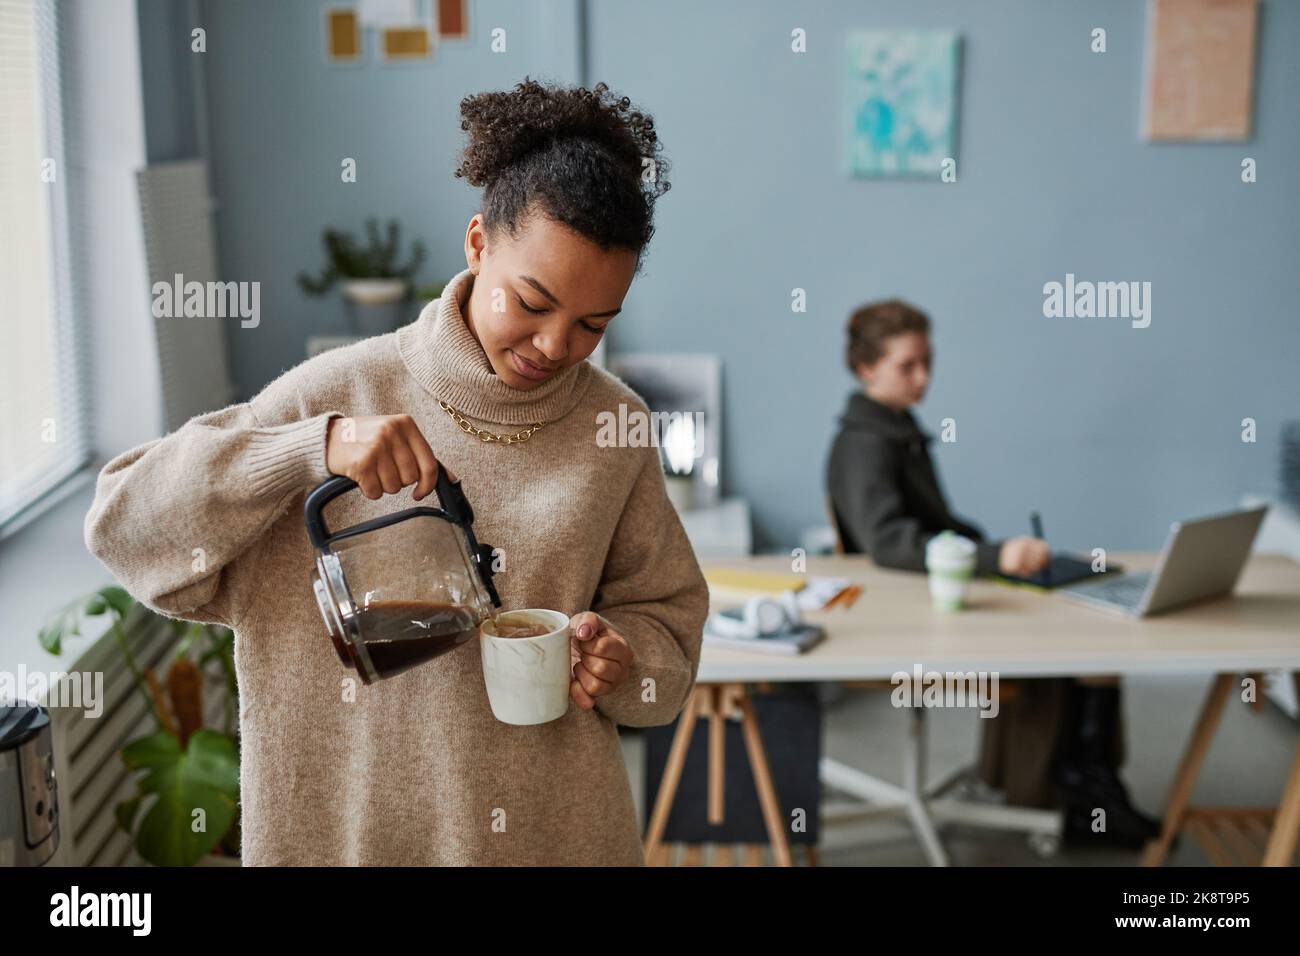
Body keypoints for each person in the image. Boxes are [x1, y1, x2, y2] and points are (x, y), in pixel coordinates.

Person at [85, 79, 709, 865]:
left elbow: (668, 631)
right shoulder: (340, 394)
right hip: (347, 840)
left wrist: (621, 660)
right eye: (531, 301)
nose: (555, 345)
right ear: (479, 243)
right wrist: (311, 447)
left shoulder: (612, 427)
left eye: (592, 324)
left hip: (559, 838)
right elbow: (122, 527)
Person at [825, 299, 1160, 849]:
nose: (924, 378)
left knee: (1079, 625)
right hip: (904, 616)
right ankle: (1063, 796)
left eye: (928, 361)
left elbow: (936, 524)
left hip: (930, 595)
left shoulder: (896, 427)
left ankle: (1080, 787)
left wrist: (996, 551)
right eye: (908, 365)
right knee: (1060, 642)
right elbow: (890, 544)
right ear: (867, 369)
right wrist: (993, 559)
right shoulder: (866, 443)